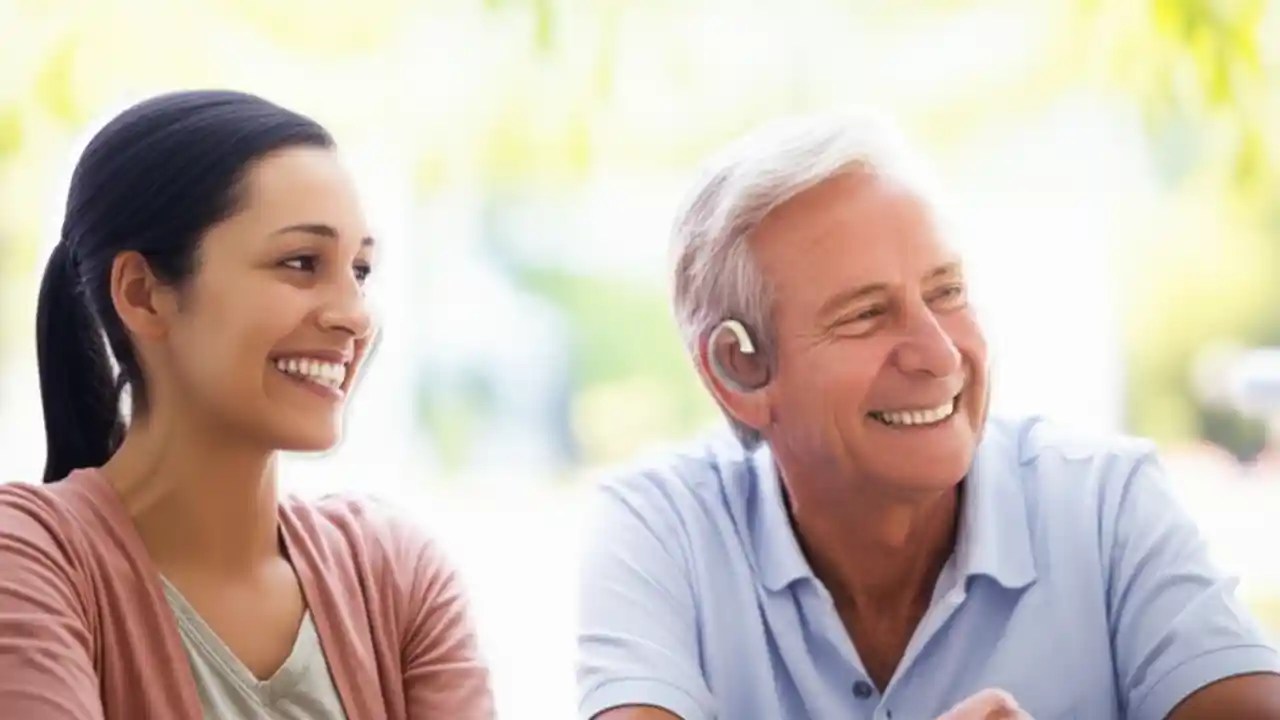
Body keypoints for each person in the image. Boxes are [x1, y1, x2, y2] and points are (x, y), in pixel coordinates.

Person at [576, 112, 1280, 719]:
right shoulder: (662, 531)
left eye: (947, 292)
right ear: (740, 371)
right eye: (866, 315)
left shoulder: (1103, 502)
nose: (940, 355)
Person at [0, 90, 493, 719]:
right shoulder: (30, 561)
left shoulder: (396, 577)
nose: (354, 315)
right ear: (144, 294)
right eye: (300, 262)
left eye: (360, 271)